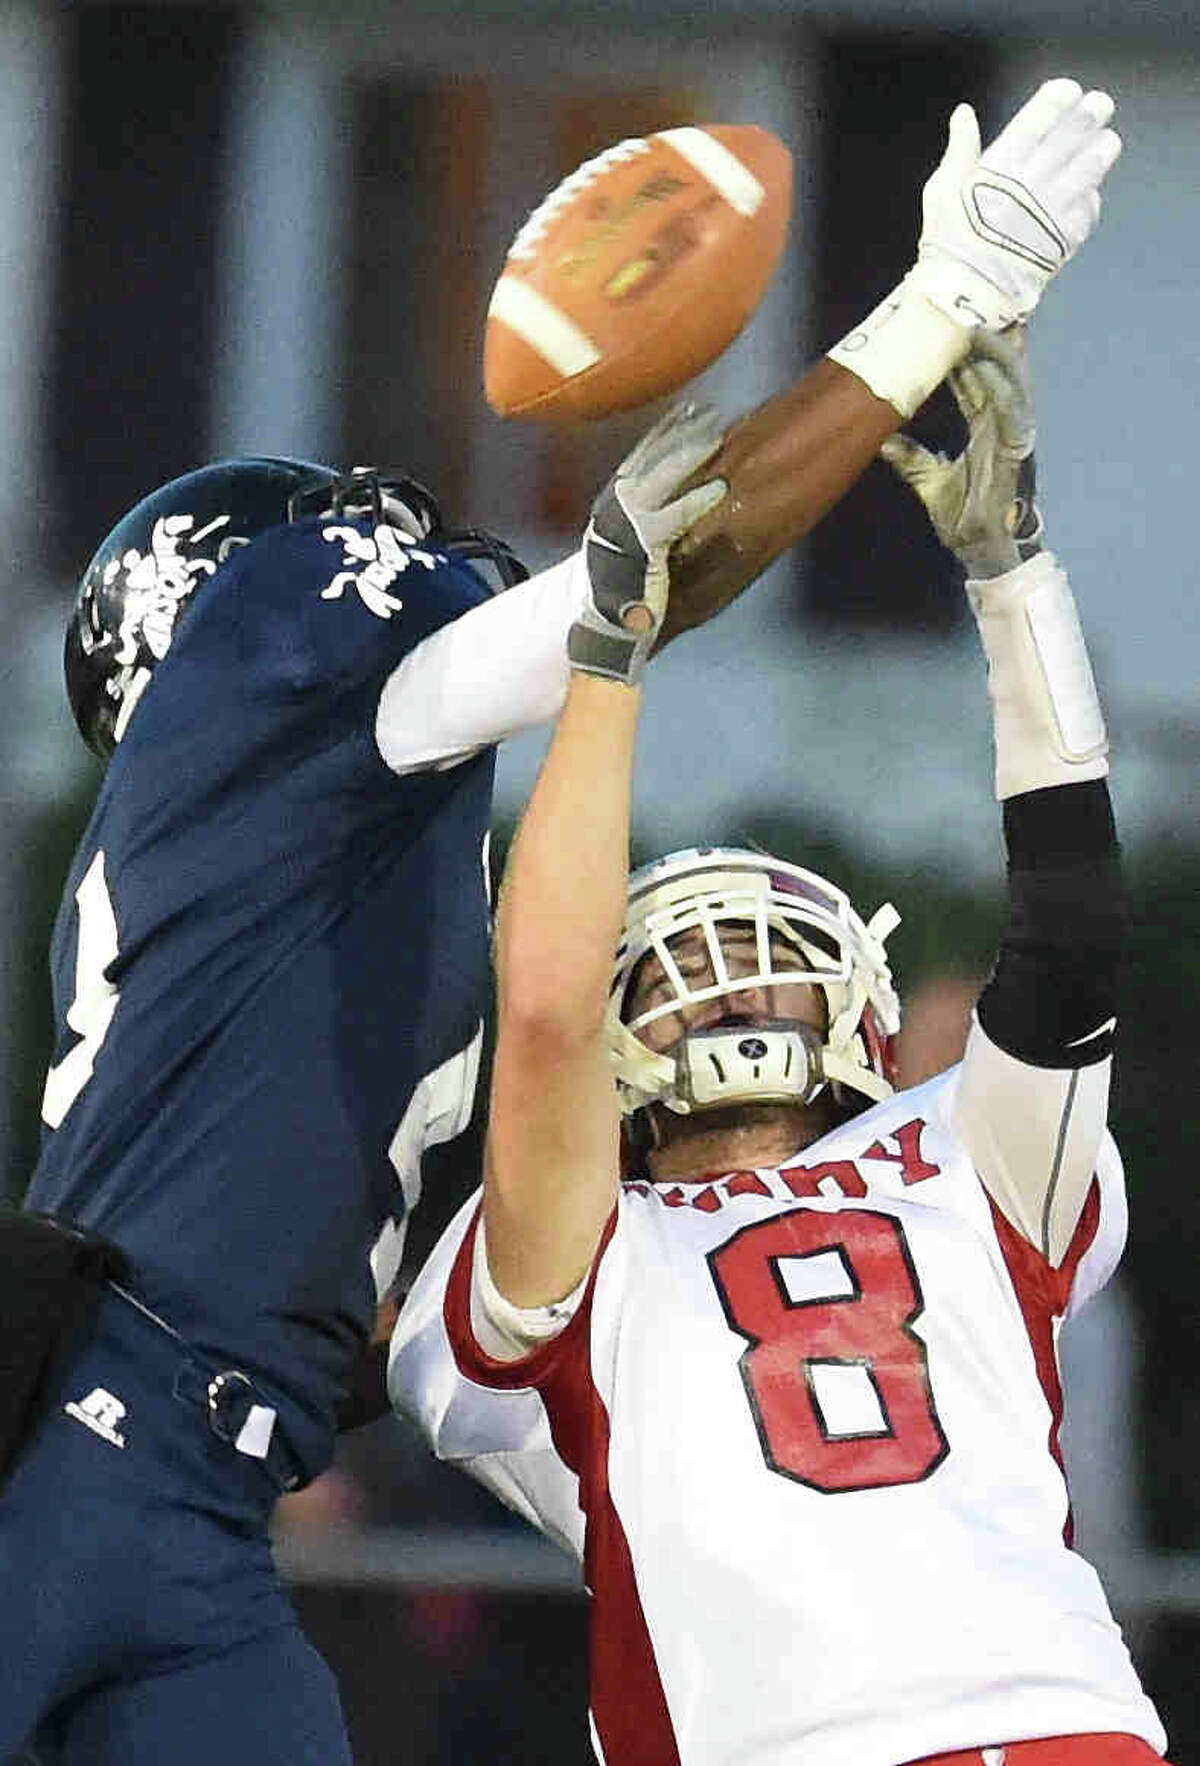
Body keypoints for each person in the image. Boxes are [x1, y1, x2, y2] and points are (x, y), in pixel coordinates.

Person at [0, 75, 1118, 1766]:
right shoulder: (267, 669)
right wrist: (928, 316)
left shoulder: (352, 843)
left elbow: (610, 611)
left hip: (215, 1491)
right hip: (77, 1439)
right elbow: (618, 595)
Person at [389, 307, 1172, 1766]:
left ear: (858, 1008)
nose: (733, 978)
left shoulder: (955, 1151)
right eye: (682, 963)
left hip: (1057, 1722)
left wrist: (1018, 582)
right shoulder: (586, 1240)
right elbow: (548, 1013)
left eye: (754, 955)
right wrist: (603, 653)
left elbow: (1068, 950)